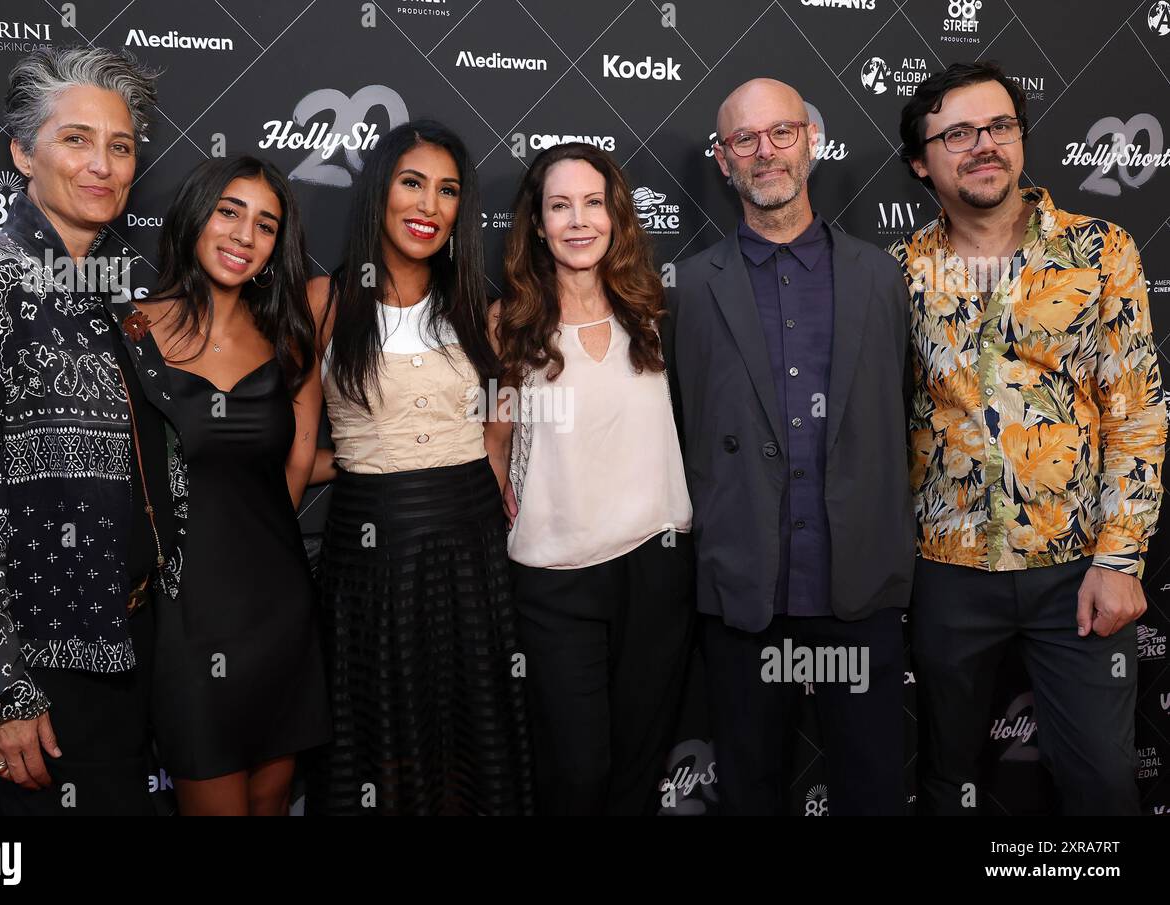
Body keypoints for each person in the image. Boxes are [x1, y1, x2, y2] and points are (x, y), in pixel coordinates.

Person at [0, 46, 176, 815]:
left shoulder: (117, 291)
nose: (104, 165)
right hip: (44, 675)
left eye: (120, 146)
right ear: (23, 152)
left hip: (137, 645)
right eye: (76, 140)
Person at [890, 61, 1165, 815]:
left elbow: (1136, 413)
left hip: (1077, 570)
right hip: (945, 571)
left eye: (999, 126)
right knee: (948, 781)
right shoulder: (898, 273)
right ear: (921, 161)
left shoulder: (1103, 251)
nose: (984, 145)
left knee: (1104, 787)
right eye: (958, 134)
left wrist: (1119, 557)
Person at [665, 78, 914, 815]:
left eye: (780, 132)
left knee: (872, 791)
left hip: (858, 588)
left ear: (810, 139)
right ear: (722, 159)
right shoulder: (686, 288)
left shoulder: (881, 276)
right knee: (749, 791)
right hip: (743, 591)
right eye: (744, 139)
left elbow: (900, 412)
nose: (764, 151)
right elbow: (681, 425)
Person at [306, 119, 532, 815]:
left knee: (472, 743)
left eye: (448, 190)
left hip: (469, 551)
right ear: (380, 190)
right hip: (371, 557)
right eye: (412, 183)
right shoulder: (324, 304)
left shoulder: (479, 313)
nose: (428, 206)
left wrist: (497, 480)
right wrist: (363, 459)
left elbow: (498, 426)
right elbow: (287, 449)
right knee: (381, 748)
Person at [494, 142, 694, 815]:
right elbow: (492, 443)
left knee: (638, 767)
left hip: (657, 565)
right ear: (537, 222)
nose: (579, 221)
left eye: (593, 202)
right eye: (560, 206)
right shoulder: (510, 323)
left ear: (617, 216)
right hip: (554, 576)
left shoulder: (656, 312)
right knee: (577, 773)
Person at [134, 155, 329, 815]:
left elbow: (293, 466)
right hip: (187, 615)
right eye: (229, 211)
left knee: (272, 800)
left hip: (279, 609)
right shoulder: (131, 332)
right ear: (195, 216)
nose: (246, 235)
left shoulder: (287, 337)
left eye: (266, 224)